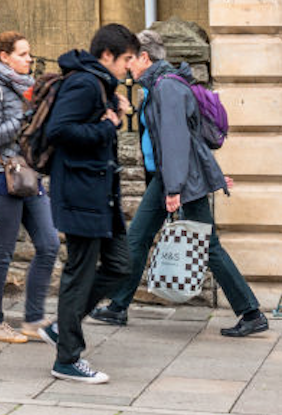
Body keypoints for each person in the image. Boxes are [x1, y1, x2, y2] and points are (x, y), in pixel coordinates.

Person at [89, 30, 268, 337]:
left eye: (131, 59)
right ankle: (118, 306)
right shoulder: (157, 86)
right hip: (170, 177)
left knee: (207, 245)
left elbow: (176, 141)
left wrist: (174, 189)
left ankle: (251, 312)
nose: (127, 65)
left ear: (145, 57)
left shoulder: (167, 87)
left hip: (181, 179)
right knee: (138, 237)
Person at [37, 24, 139, 384]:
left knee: (121, 265)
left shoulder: (99, 84)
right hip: (81, 193)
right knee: (78, 274)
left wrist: (113, 113)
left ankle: (61, 327)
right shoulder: (84, 83)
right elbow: (60, 130)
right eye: (127, 59)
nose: (130, 66)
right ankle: (67, 359)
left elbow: (90, 125)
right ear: (107, 55)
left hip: (99, 195)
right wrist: (109, 125)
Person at [0, 31, 59, 344]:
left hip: (30, 175)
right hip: (2, 176)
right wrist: (28, 116)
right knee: (1, 254)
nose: (29, 59)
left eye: (29, 54)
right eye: (22, 54)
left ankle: (33, 320)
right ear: (5, 57)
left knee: (49, 244)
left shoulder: (30, 87)